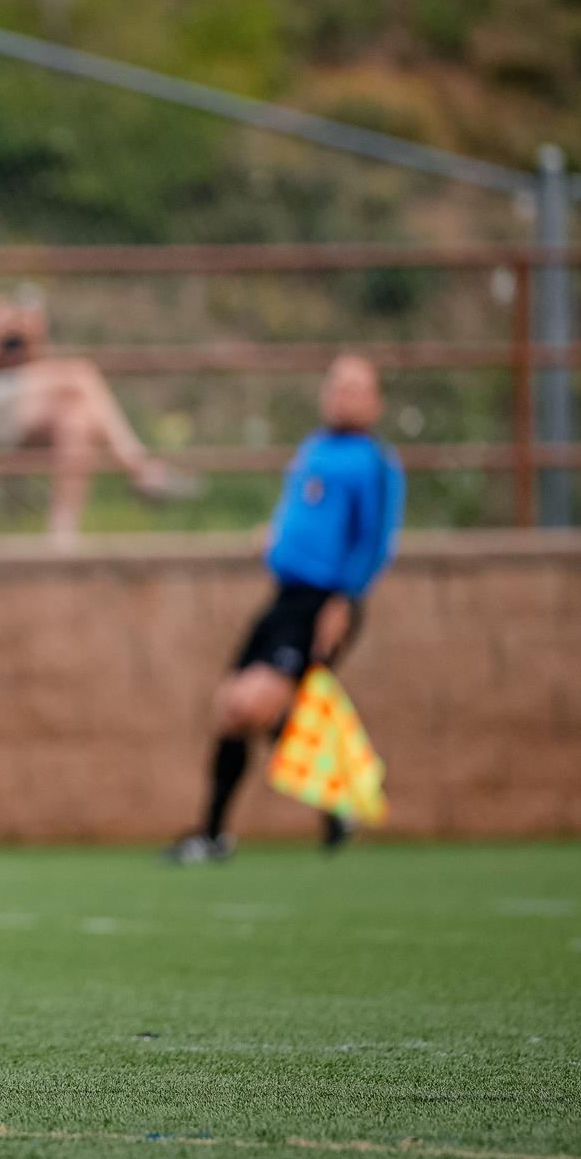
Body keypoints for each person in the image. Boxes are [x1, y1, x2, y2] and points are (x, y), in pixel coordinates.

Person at [168, 354, 405, 864]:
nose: (342, 395)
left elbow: (373, 540)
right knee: (232, 707)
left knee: (255, 704)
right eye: (336, 385)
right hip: (284, 596)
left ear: (375, 401)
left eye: (355, 388)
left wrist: (344, 600)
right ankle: (213, 835)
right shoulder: (314, 448)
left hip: (321, 602)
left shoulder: (375, 462)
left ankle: (339, 792)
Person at [0, 234, 195, 545]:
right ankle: (141, 469)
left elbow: (33, 364)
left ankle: (61, 538)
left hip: (16, 405)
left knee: (76, 417)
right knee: (79, 374)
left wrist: (31, 333)